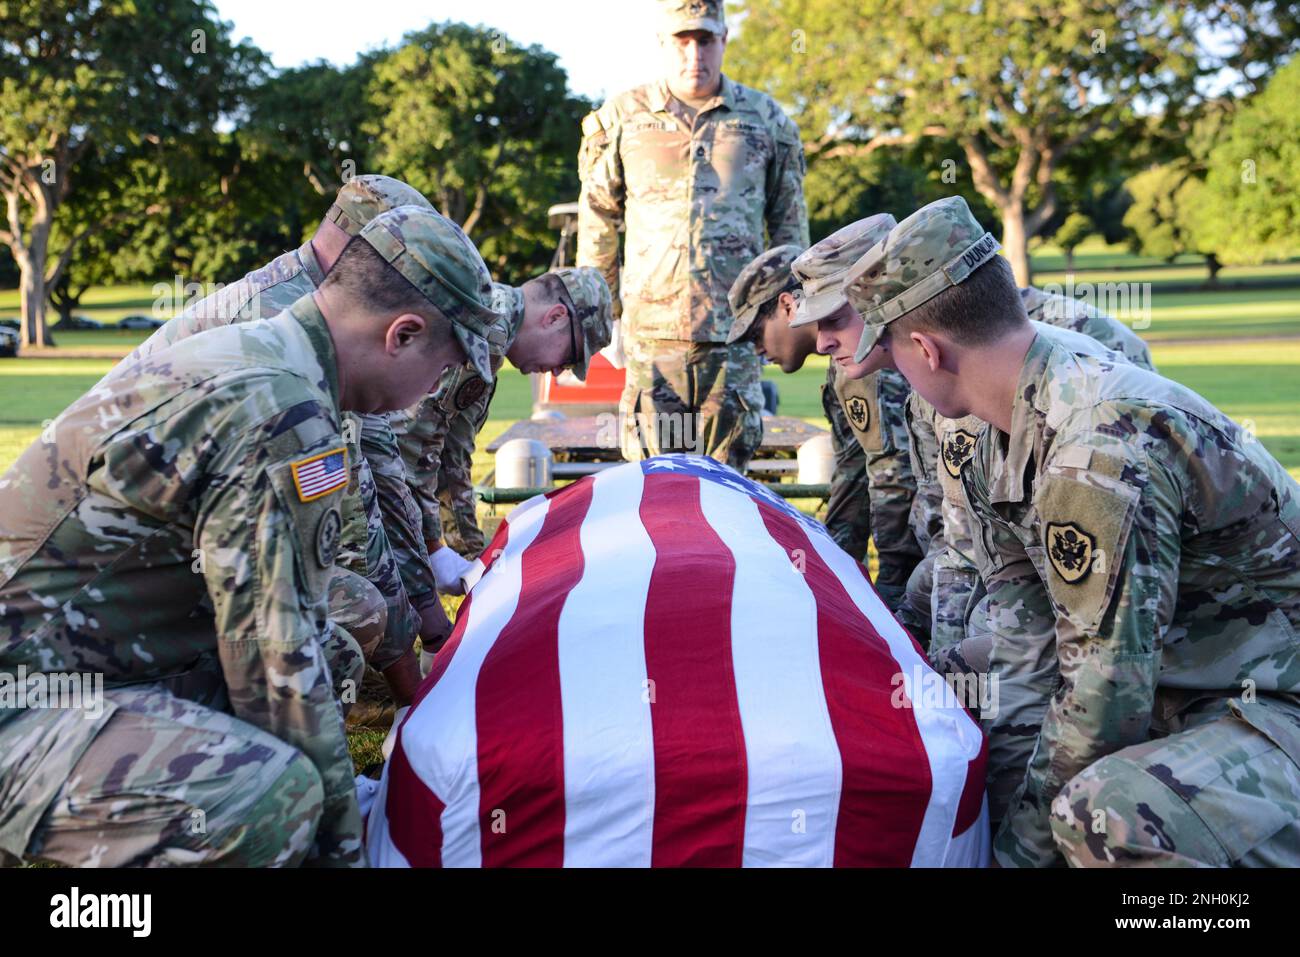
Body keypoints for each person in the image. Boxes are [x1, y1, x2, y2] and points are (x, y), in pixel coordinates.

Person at [0, 206, 501, 867]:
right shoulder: (278, 410)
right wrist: (344, 849)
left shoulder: (268, 355)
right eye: (443, 369)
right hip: (24, 702)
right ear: (401, 335)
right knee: (270, 799)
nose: (434, 391)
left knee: (338, 642)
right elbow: (275, 675)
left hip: (85, 663)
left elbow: (289, 638)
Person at [831, 194, 1300, 868]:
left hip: (1270, 697)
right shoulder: (1009, 415)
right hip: (1189, 676)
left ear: (928, 350)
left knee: (1104, 814)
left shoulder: (1093, 446)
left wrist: (1020, 852)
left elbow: (1105, 696)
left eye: (896, 358)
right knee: (956, 676)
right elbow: (1028, 639)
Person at [113, 175, 457, 693]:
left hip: (170, 535)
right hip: (127, 564)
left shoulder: (324, 310)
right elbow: (352, 524)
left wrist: (430, 615)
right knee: (351, 611)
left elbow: (384, 467)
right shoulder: (295, 320)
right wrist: (413, 684)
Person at [577, 0, 808, 470]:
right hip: (651, 340)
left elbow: (789, 230)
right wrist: (605, 312)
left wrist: (788, 314)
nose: (694, 55)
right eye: (682, 41)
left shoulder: (766, 120)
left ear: (723, 41)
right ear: (662, 44)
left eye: (705, 40)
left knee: (728, 485)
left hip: (736, 337)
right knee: (656, 485)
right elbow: (599, 217)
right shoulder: (623, 118)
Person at [726, 220, 923, 623]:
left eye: (756, 334)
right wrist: (833, 573)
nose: (757, 350)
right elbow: (854, 474)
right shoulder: (843, 367)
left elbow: (894, 477)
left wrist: (892, 588)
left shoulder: (861, 360)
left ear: (785, 306)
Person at [393, 268, 614, 608]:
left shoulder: (493, 332)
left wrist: (468, 552)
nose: (558, 371)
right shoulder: (486, 329)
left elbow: (451, 457)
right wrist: (435, 548)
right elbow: (411, 448)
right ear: (555, 317)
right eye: (569, 357)